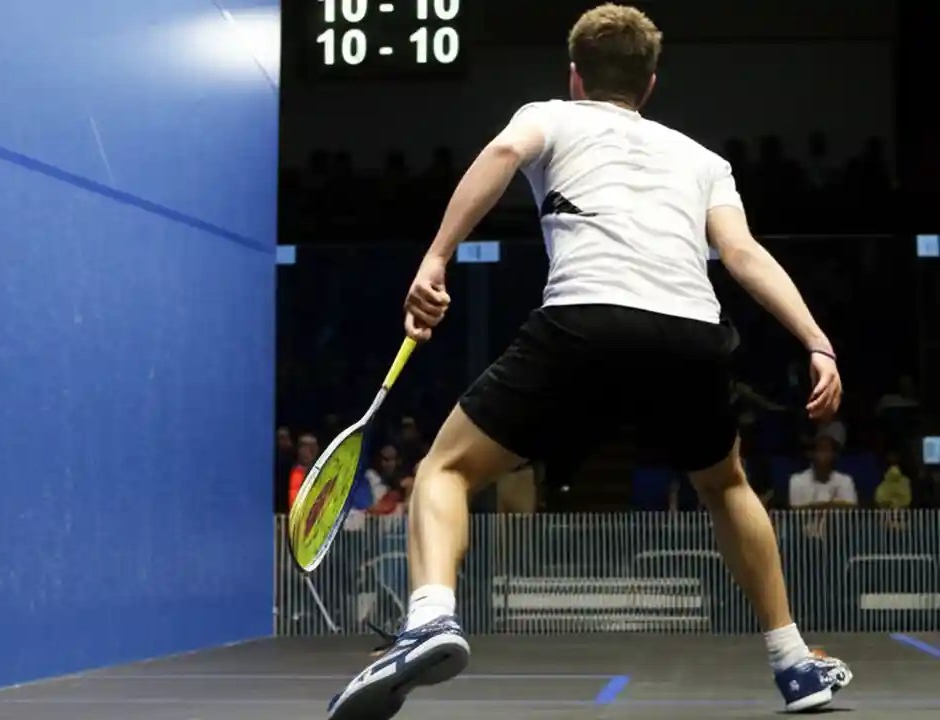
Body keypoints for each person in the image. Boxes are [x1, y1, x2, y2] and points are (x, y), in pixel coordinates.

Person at [325, 5, 851, 719]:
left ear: (575, 75)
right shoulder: (704, 159)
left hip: (586, 320)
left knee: (446, 469)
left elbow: (503, 156)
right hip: (692, 333)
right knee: (727, 485)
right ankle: (793, 663)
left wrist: (436, 257)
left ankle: (430, 620)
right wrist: (816, 340)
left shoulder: (549, 115)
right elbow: (742, 254)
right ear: (651, 84)